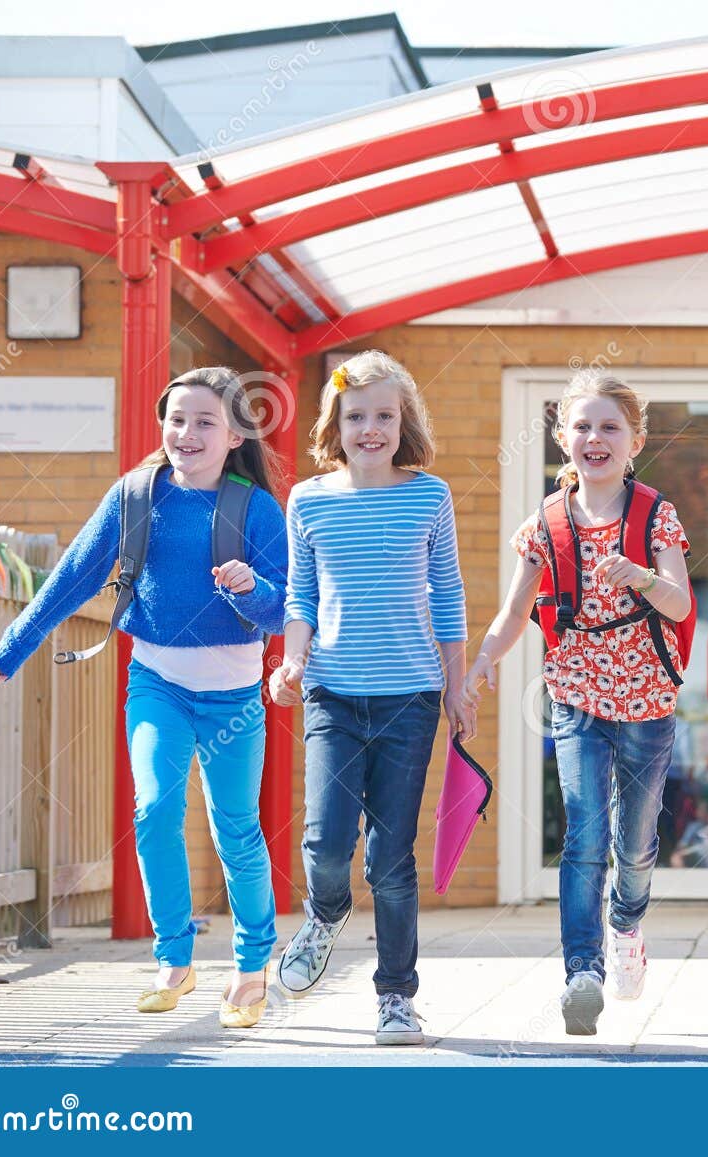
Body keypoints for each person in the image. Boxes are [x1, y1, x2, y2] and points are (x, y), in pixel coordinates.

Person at [0, 367, 287, 1027]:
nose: (186, 433)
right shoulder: (135, 497)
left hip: (234, 696)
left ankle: (251, 965)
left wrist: (250, 589)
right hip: (157, 684)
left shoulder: (254, 508)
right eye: (176, 419)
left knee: (235, 828)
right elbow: (71, 577)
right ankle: (175, 958)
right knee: (154, 809)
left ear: (236, 434)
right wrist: (13, 646)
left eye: (205, 421)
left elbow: (286, 611)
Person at [466, 370, 692, 1035]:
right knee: (585, 834)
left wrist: (643, 575)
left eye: (610, 427)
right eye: (583, 426)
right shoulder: (545, 522)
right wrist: (483, 658)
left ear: (634, 441)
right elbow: (514, 612)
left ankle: (626, 923)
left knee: (637, 841)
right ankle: (582, 971)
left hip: (648, 698)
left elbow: (678, 602)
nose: (595, 438)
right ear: (563, 437)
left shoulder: (656, 514)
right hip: (576, 699)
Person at [269, 350, 472, 1046]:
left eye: (385, 414)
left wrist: (458, 684)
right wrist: (292, 658)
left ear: (404, 420)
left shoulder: (429, 496)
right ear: (337, 423)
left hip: (409, 699)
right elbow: (299, 594)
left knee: (391, 856)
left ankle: (395, 997)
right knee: (325, 842)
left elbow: (448, 594)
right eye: (357, 415)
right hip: (331, 695)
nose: (371, 428)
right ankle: (325, 914)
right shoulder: (309, 500)